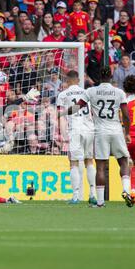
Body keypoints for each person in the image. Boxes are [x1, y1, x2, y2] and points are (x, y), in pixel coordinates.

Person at [65, 66, 134, 208]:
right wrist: (127, 133)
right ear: (111, 75)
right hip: (116, 130)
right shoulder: (119, 92)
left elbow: (78, 107)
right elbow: (126, 115)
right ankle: (126, 190)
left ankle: (101, 202)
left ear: (99, 76)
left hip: (100, 131)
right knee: (123, 162)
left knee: (101, 167)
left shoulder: (91, 91)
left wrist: (63, 112)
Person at [56, 70, 96, 205]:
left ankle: (75, 196)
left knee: (73, 162)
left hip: (75, 129)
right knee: (89, 160)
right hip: (89, 129)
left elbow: (60, 116)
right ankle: (93, 195)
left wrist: (63, 135)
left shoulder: (62, 95)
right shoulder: (87, 93)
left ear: (67, 81)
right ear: (78, 80)